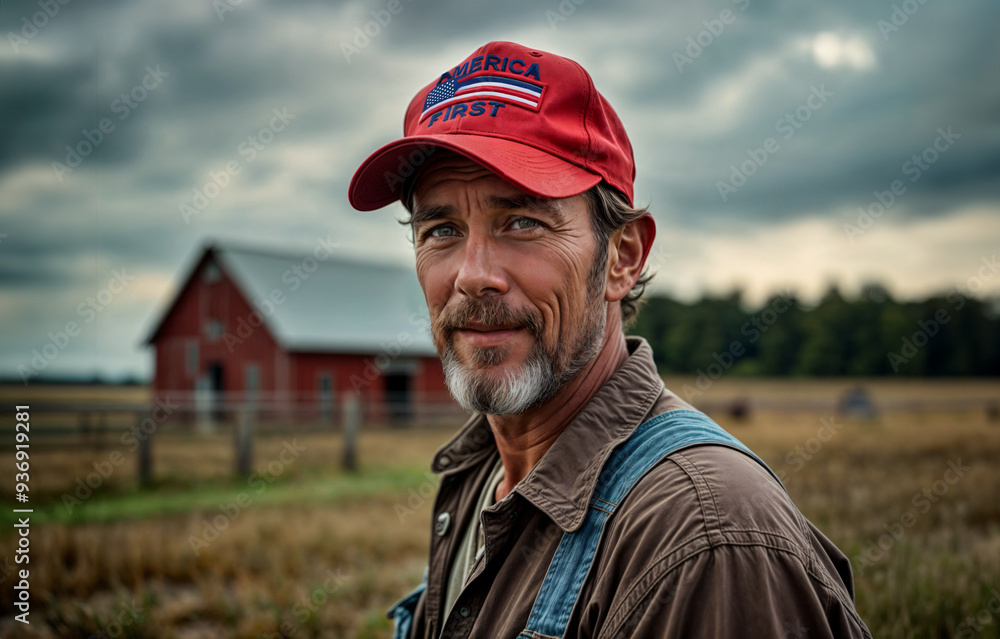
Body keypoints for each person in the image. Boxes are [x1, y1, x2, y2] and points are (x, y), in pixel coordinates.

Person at [349, 41, 871, 639]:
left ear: (621, 257)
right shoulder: (480, 475)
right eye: (440, 229)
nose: (472, 274)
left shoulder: (704, 539)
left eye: (522, 221)